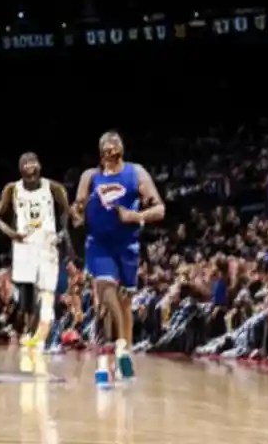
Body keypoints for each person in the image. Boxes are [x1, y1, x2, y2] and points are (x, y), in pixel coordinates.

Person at [71, 131, 165, 387]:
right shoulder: (90, 177)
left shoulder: (137, 173)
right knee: (105, 293)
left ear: (122, 148)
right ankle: (109, 356)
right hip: (99, 245)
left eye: (116, 143)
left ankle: (125, 353)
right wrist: (77, 214)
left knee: (124, 304)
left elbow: (160, 209)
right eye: (106, 144)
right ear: (100, 151)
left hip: (128, 246)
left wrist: (134, 217)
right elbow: (77, 208)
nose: (111, 147)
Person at [0, 152, 70, 371]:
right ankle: (28, 333)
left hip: (46, 244)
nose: (30, 166)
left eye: (33, 162)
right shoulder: (12, 189)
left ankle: (41, 338)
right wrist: (11, 233)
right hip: (24, 244)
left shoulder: (53, 187)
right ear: (20, 167)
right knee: (27, 296)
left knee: (47, 293)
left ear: (40, 165)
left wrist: (63, 235)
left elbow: (65, 212)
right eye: (26, 163)